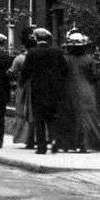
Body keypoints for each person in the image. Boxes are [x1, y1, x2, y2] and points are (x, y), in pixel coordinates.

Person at [19, 27, 68, 155]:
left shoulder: (32, 53)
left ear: (36, 39)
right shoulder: (57, 52)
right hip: (54, 91)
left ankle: (41, 147)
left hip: (38, 91)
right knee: (52, 118)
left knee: (39, 120)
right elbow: (65, 69)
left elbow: (25, 72)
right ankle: (54, 141)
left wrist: (22, 83)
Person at [55, 32, 100, 153]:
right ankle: (85, 144)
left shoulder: (65, 59)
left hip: (69, 90)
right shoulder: (89, 59)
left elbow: (60, 74)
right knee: (86, 117)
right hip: (86, 91)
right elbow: (95, 76)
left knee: (69, 117)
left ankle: (67, 144)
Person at [9, 31, 37, 148]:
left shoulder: (20, 58)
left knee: (22, 112)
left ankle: (25, 138)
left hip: (23, 86)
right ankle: (36, 137)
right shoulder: (38, 56)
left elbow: (12, 72)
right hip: (37, 86)